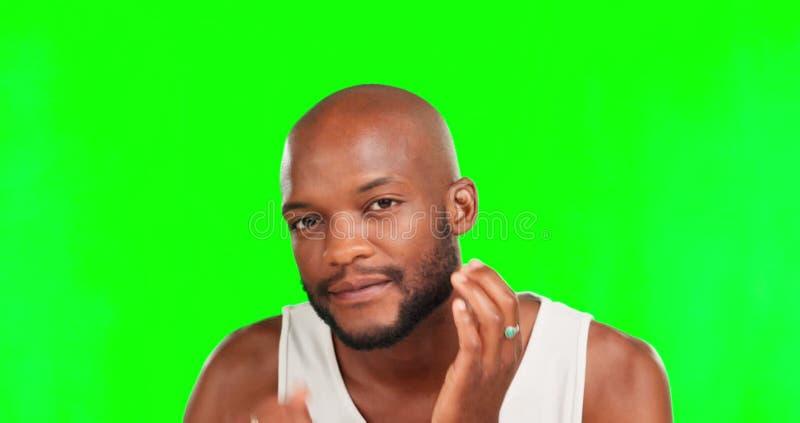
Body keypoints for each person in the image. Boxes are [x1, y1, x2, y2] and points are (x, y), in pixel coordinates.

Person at [184, 84, 672, 422]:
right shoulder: (247, 376)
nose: (339, 250)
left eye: (381, 204)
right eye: (308, 221)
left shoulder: (604, 377)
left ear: (460, 208)